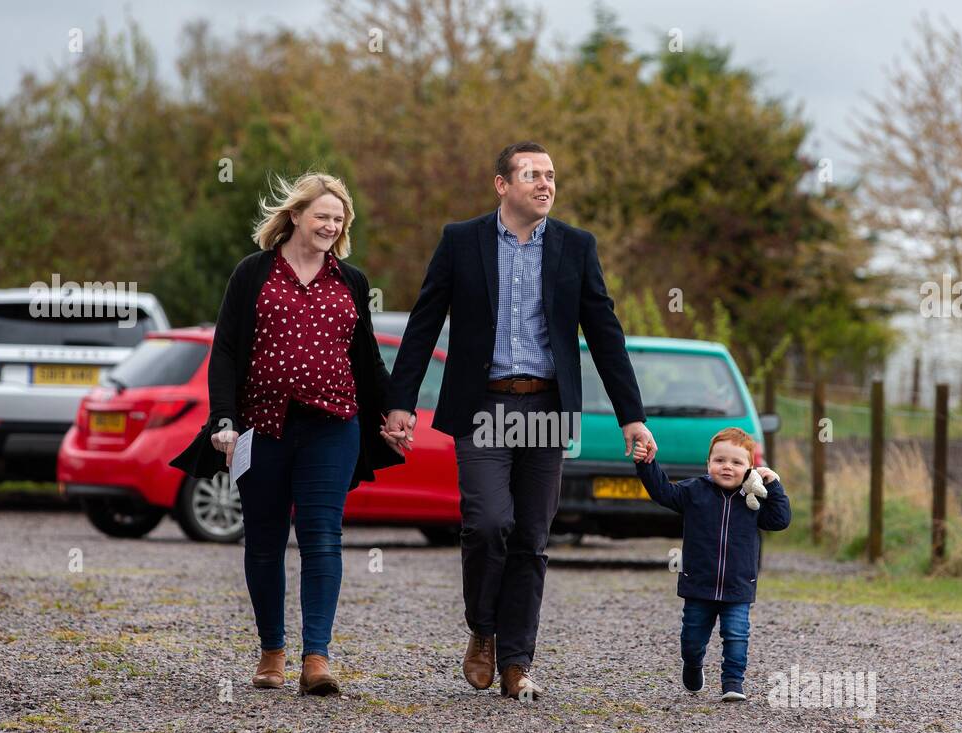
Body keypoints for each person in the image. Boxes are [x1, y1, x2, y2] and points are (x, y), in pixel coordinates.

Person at [382, 141, 657, 701]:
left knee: (531, 535)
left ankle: (516, 662)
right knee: (488, 524)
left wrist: (632, 417)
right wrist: (401, 401)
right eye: (532, 174)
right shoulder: (462, 241)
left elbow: (605, 335)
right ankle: (482, 630)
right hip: (483, 404)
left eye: (551, 175)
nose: (545, 184)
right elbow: (424, 322)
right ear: (501, 185)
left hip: (546, 406)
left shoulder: (576, 248)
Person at [169, 171, 402, 696]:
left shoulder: (351, 281)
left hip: (333, 427)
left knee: (323, 537)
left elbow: (366, 359)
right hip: (263, 426)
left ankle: (316, 657)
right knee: (265, 540)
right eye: (322, 215)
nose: (330, 225)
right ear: (294, 215)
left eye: (338, 219)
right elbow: (225, 351)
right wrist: (224, 420)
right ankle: (271, 650)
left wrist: (393, 409)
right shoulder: (252, 274)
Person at [633, 427, 790, 701]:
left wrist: (773, 485)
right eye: (720, 461)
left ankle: (733, 683)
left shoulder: (753, 501)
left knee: (737, 636)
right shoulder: (694, 492)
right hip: (698, 585)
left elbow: (780, 520)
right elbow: (662, 492)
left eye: (737, 462)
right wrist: (646, 463)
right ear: (708, 464)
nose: (727, 467)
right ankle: (693, 665)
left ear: (750, 468)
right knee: (692, 639)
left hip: (738, 587)